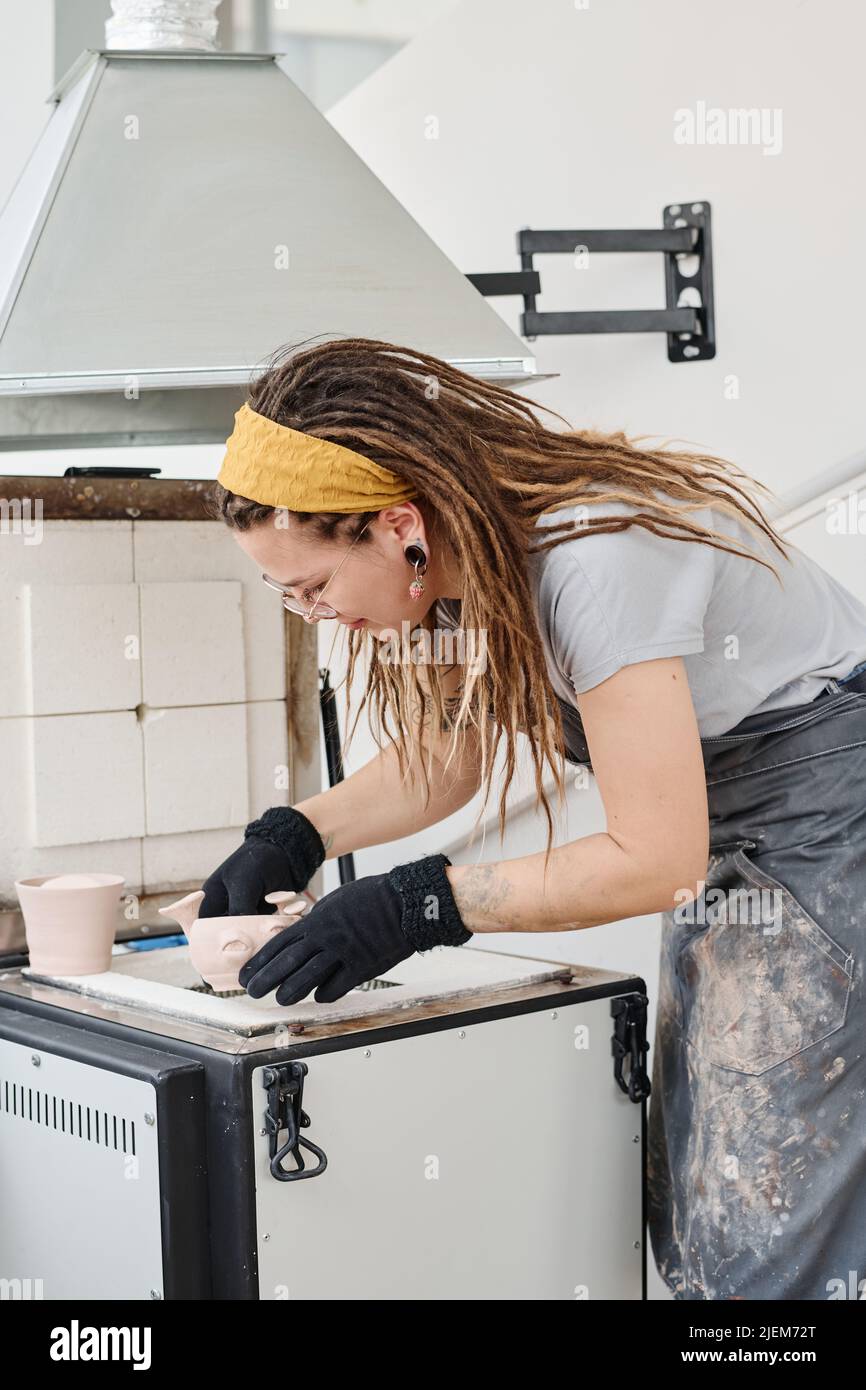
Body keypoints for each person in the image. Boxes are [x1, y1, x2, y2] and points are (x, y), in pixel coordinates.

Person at [202, 335, 866, 1300]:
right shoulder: (451, 574)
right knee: (707, 1179)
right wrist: (297, 832)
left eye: (313, 588)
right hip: (733, 831)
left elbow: (654, 856)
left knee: (769, 1214)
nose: (317, 616)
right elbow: (447, 758)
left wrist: (417, 905)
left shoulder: (592, 561)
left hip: (826, 825)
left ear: (395, 527)